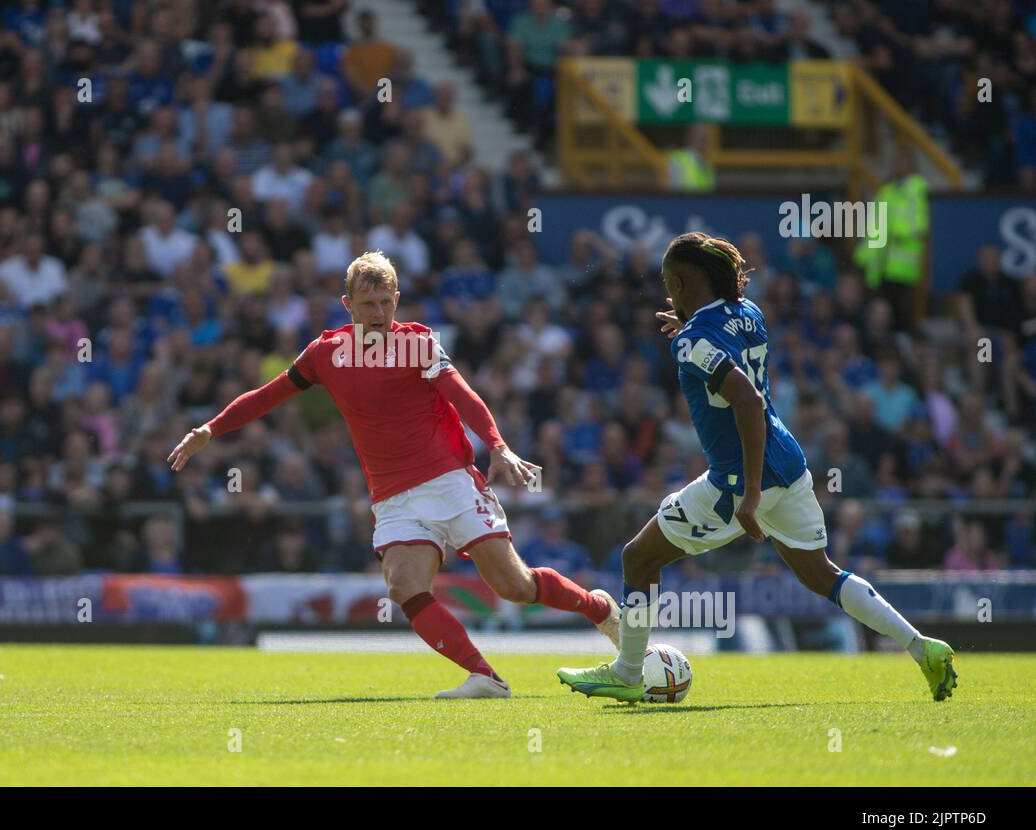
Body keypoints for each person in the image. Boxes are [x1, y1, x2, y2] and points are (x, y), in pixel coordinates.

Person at [169, 251, 619, 699]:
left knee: (514, 587)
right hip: (392, 497)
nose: (380, 313)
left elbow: (464, 396)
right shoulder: (325, 354)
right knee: (405, 586)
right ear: (348, 306)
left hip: (451, 482)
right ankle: (485, 677)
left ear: (398, 299)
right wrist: (210, 429)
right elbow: (267, 396)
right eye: (369, 304)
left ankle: (600, 609)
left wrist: (498, 446)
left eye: (387, 302)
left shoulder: (419, 345)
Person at [557, 233, 958, 703]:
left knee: (639, 558)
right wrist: (689, 325)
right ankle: (920, 645)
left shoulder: (690, 342)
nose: (668, 292)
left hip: (738, 480)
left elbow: (744, 396)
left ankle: (627, 671)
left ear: (682, 282)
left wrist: (747, 493)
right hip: (788, 464)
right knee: (820, 574)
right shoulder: (750, 314)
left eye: (670, 283)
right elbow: (726, 349)